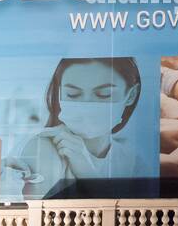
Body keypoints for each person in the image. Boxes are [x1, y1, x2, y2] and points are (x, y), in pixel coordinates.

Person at [13, 58, 141, 197]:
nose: (87, 104)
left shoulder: (133, 161)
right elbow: (35, 215)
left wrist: (87, 172)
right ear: (60, 92)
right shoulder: (44, 146)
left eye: (103, 94)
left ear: (131, 94)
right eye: (73, 94)